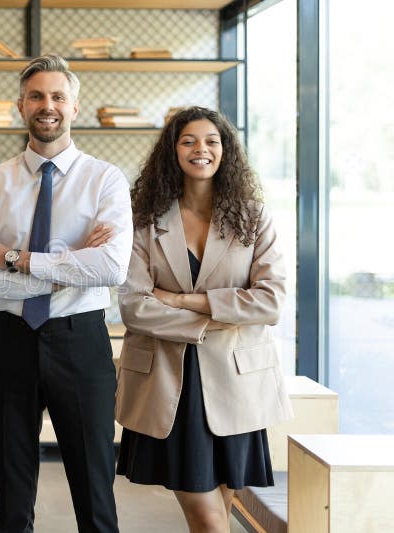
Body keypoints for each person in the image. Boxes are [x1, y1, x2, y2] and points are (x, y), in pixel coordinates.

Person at [0, 54, 131, 533]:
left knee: (95, 489)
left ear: (75, 107)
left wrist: (14, 258)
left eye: (58, 96)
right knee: (11, 495)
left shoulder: (106, 180)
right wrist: (73, 265)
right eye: (36, 96)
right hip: (9, 339)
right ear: (21, 106)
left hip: (81, 341)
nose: (46, 105)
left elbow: (112, 267)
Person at [115, 106, 293, 532]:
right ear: (172, 151)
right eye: (189, 141)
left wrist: (181, 300)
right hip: (168, 386)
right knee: (209, 519)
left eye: (212, 141)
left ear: (225, 151)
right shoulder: (143, 222)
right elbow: (134, 306)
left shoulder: (254, 218)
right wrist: (218, 315)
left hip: (236, 386)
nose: (201, 150)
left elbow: (269, 304)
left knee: (218, 515)